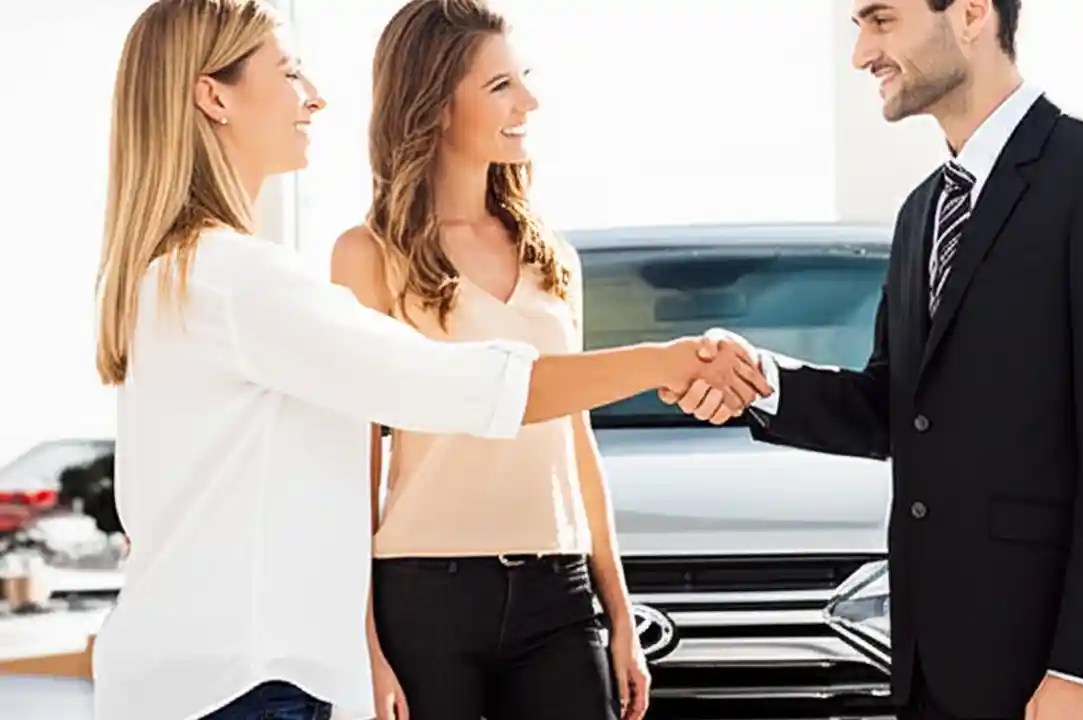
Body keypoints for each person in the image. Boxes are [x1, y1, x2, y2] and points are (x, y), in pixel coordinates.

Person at [90, 2, 769, 719]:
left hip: (202, 676)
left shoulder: (177, 276)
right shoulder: (241, 282)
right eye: (289, 72)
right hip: (244, 685)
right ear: (213, 95)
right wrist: (667, 361)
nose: (315, 96)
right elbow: (461, 387)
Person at [666, 1, 1083, 719]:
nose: (861, 53)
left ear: (973, 14)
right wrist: (762, 384)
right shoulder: (922, 211)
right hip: (932, 668)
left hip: (1054, 675)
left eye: (880, 20)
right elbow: (903, 409)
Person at [330, 2, 649, 719]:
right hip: (423, 594)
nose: (528, 102)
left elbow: (577, 441)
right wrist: (366, 647)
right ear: (436, 104)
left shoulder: (552, 256)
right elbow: (352, 463)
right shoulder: (368, 257)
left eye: (524, 79)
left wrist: (619, 613)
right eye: (501, 85)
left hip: (557, 591)